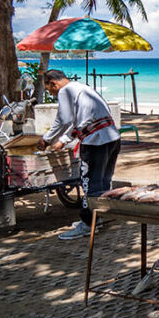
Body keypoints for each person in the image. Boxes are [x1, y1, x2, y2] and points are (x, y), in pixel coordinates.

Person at [40, 70, 121, 241]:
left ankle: (87, 223)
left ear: (54, 84)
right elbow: (80, 122)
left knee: (90, 182)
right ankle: (97, 218)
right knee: (103, 181)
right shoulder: (82, 88)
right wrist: (63, 139)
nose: (52, 94)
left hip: (96, 142)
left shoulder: (65, 91)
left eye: (49, 90)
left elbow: (64, 119)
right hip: (112, 137)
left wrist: (46, 139)